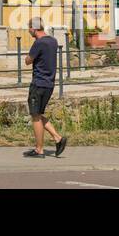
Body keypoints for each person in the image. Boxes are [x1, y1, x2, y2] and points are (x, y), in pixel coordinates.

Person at [22, 17, 67, 157]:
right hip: (49, 84)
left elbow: (28, 61)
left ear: (34, 28)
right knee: (39, 114)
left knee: (35, 116)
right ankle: (57, 138)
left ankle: (39, 149)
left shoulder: (39, 43)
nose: (29, 30)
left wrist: (29, 57)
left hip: (38, 83)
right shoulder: (53, 41)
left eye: (29, 28)